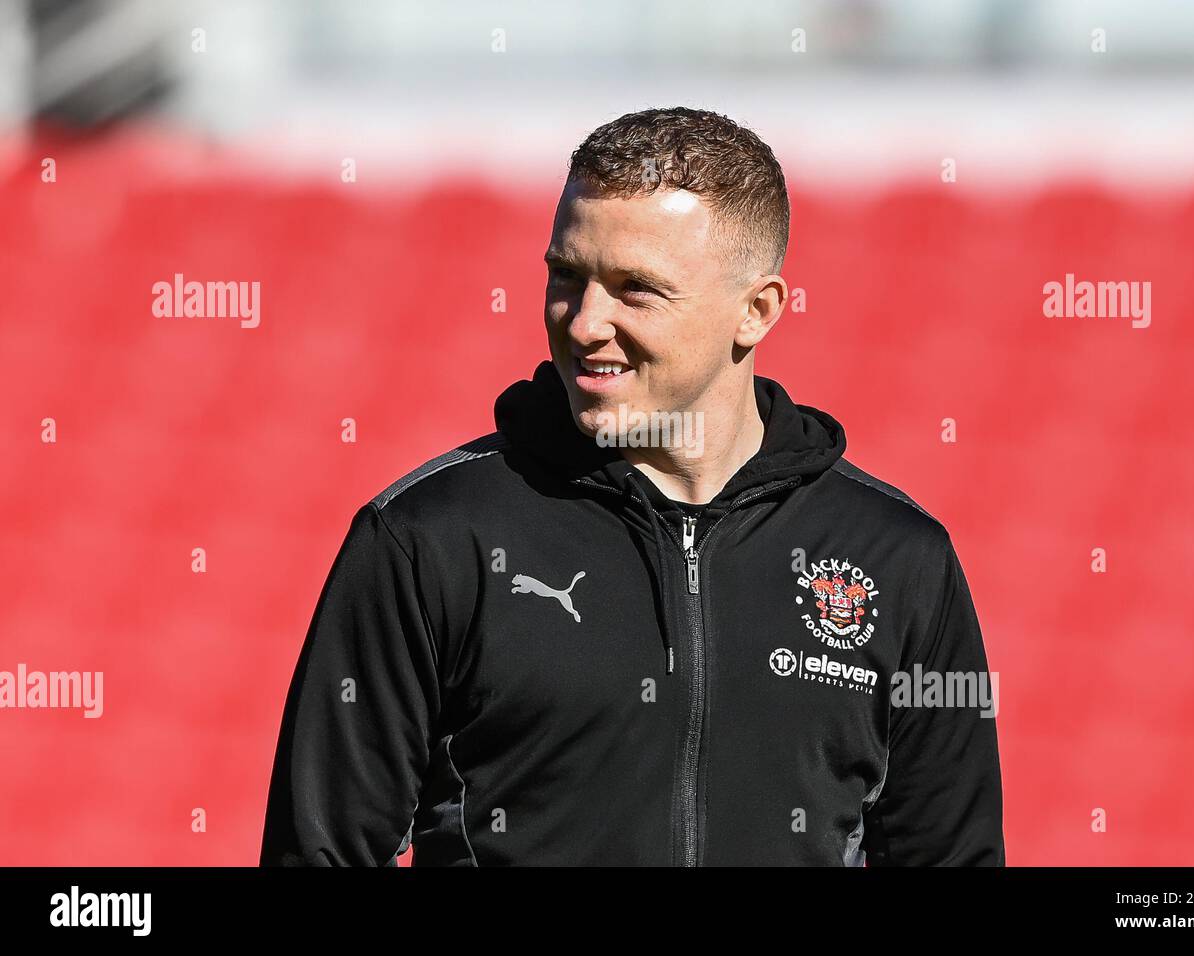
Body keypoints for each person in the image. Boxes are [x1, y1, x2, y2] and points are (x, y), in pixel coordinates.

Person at [259, 106, 1005, 866]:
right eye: (567, 277)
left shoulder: (900, 559)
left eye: (635, 289)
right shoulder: (429, 540)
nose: (585, 323)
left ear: (756, 311)